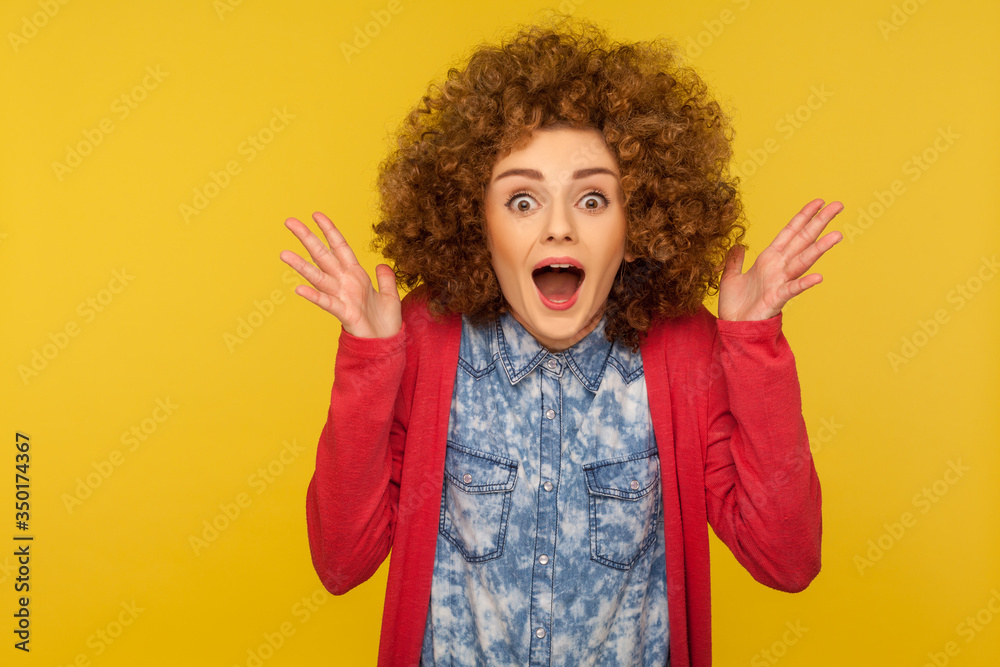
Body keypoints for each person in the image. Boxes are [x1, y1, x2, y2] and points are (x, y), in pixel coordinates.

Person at [281, 15, 841, 667]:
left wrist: (752, 344)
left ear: (638, 221)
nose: (558, 230)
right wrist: (371, 360)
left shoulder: (685, 353)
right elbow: (341, 561)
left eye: (594, 200)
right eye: (522, 201)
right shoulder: (424, 342)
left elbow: (788, 558)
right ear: (476, 221)